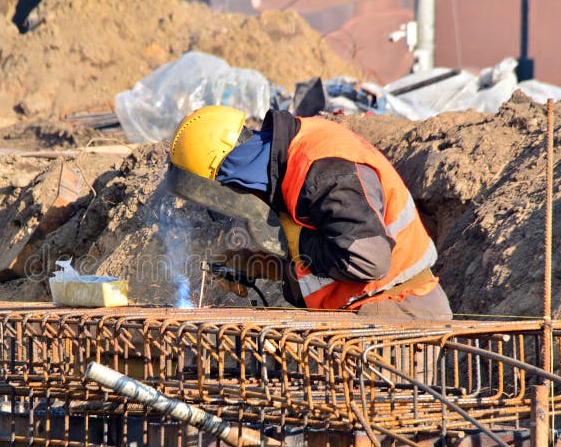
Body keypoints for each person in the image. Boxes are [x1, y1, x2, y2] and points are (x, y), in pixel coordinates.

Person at [169, 105, 452, 320]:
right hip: (376, 309)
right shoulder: (289, 158)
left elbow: (368, 260)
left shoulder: (322, 168)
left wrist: (300, 243)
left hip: (398, 313)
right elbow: (334, 255)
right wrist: (262, 265)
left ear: (224, 172)